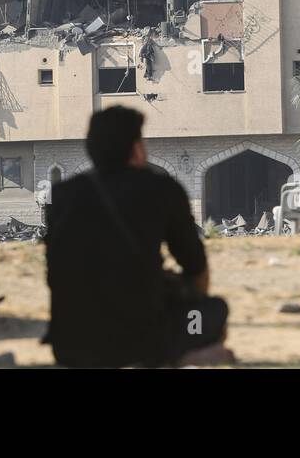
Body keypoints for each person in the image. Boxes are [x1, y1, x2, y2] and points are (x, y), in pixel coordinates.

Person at [44, 106, 232, 367]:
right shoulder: (161, 188)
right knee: (210, 311)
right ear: (136, 149)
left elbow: (56, 272)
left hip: (71, 344)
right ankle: (185, 352)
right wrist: (189, 297)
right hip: (141, 342)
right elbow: (195, 266)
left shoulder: (63, 195)